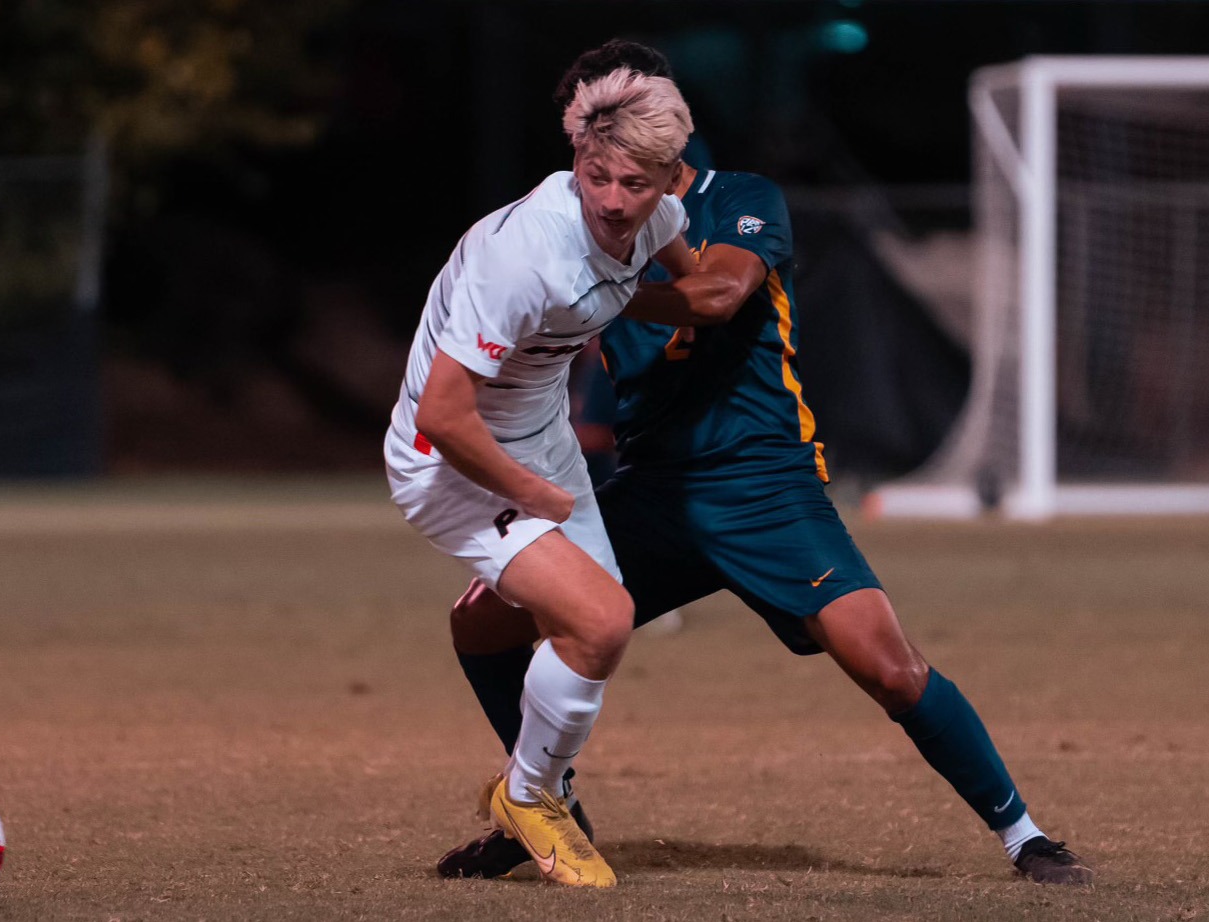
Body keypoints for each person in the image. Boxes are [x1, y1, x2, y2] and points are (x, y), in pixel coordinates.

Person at [436, 40, 1094, 887]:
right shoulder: (568, 228)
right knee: (482, 630)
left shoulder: (740, 199)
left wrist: (591, 288)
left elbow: (715, 294)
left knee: (888, 667)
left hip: (762, 483)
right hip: (649, 492)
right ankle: (541, 808)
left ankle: (1025, 837)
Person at [384, 66, 696, 889]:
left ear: (671, 178)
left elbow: (677, 282)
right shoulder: (523, 258)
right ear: (577, 160)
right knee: (603, 623)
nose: (613, 199)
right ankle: (528, 799)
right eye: (597, 176)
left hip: (540, 440)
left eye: (636, 182)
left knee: (574, 629)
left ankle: (488, 642)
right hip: (447, 460)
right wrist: (530, 495)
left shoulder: (661, 213)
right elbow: (442, 417)